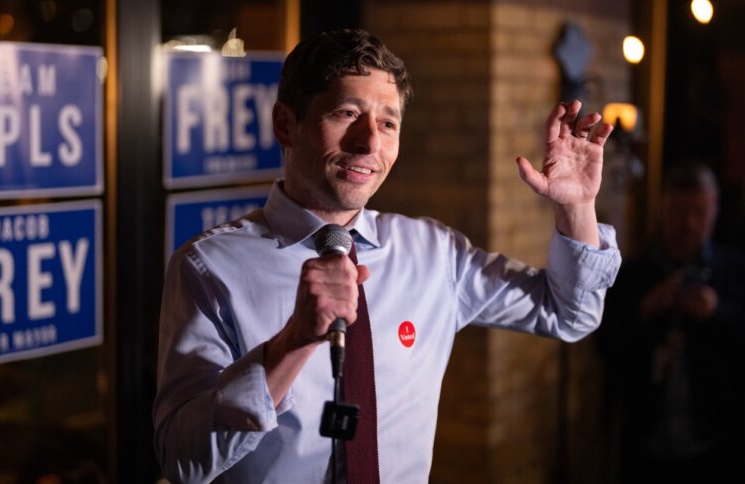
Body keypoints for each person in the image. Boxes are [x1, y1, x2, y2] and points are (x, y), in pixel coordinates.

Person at [153, 29, 621, 483]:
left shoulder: (434, 254)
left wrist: (575, 208)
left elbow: (570, 314)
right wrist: (293, 342)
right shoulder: (208, 266)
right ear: (285, 124)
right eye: (345, 113)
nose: (370, 142)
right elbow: (184, 461)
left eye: (388, 123)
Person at [599, 163, 745, 484]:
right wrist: (648, 307)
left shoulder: (735, 271)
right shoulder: (632, 274)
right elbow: (604, 344)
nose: (688, 223)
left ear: (715, 211)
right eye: (679, 211)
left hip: (717, 444)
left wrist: (717, 314)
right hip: (645, 444)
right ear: (663, 208)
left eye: (699, 212)